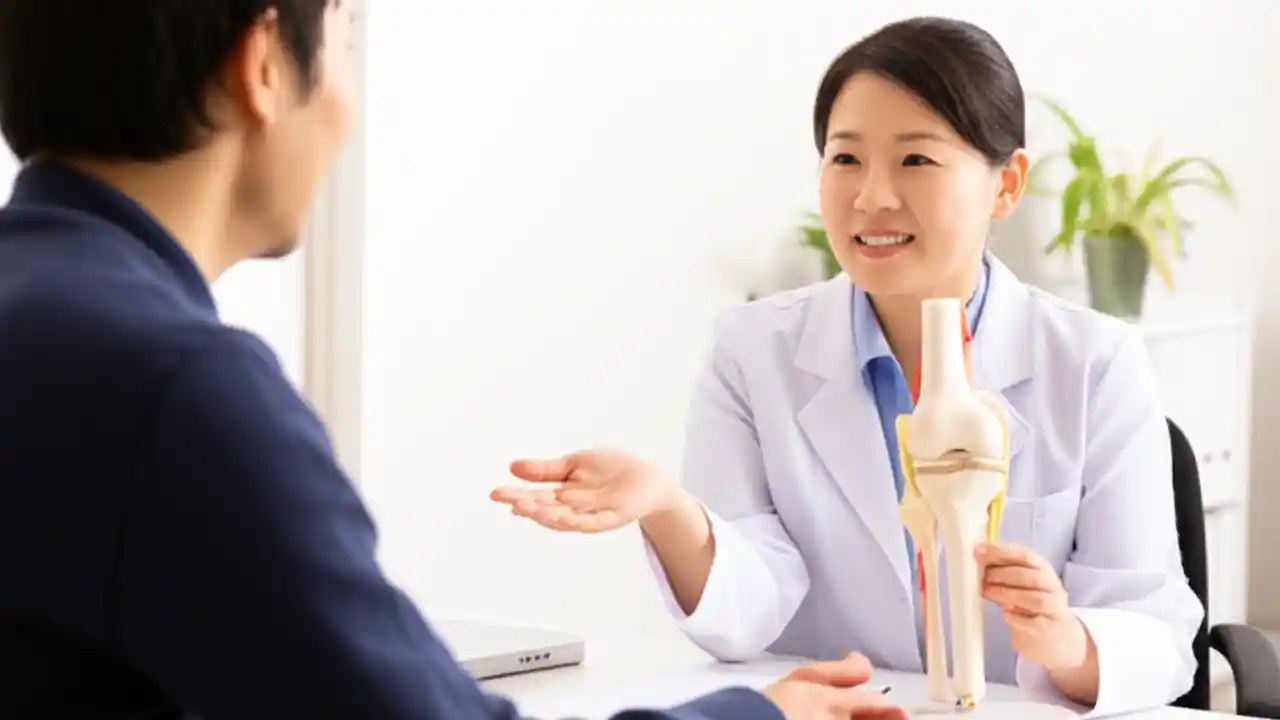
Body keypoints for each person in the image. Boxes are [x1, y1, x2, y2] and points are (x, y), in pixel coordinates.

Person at [0, 2, 912, 719]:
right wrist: (757, 716)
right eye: (345, 42)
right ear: (265, 62)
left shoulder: (53, 320)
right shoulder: (176, 388)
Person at [491, 15, 1205, 719]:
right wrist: (669, 509)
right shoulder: (752, 351)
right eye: (846, 159)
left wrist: (1067, 641)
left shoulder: (1095, 362)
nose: (871, 197)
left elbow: (1154, 631)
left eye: (916, 160)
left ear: (1006, 183)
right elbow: (748, 612)